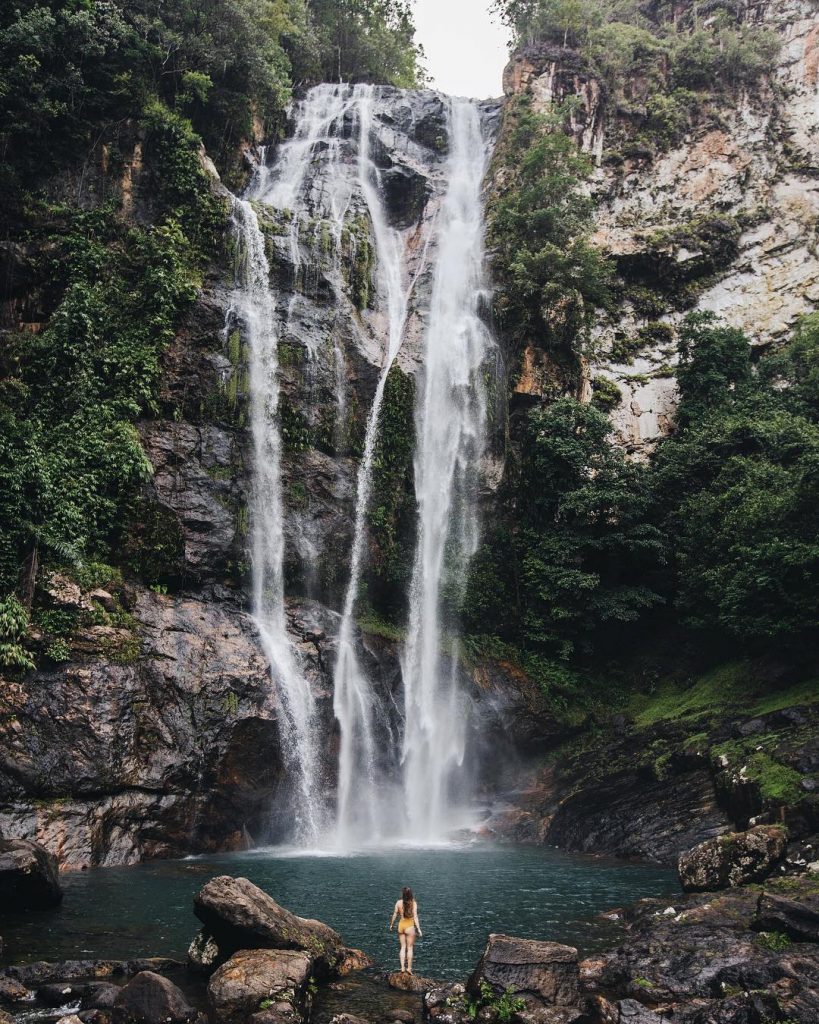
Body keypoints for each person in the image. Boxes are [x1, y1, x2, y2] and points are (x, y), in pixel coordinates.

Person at [389, 886, 422, 974]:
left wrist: (391, 925)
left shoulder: (398, 902)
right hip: (409, 926)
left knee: (403, 947)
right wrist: (418, 929)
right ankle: (409, 969)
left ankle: (402, 968)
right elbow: (415, 917)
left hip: (401, 925)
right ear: (411, 894)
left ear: (403, 894)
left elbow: (395, 914)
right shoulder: (413, 903)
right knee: (410, 948)